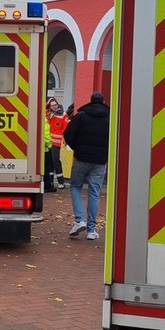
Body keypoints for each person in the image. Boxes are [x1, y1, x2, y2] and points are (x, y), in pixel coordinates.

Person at [64, 91, 110, 240]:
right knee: (94, 192)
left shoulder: (81, 116)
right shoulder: (110, 118)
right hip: (100, 161)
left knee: (76, 186)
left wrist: (77, 147)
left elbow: (68, 134)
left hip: (81, 159)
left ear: (91, 101)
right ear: (102, 101)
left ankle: (79, 220)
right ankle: (91, 230)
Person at [46, 98, 70, 189]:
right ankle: (50, 181)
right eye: (52, 105)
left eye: (55, 105)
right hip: (47, 142)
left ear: (58, 105)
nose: (54, 107)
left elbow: (66, 128)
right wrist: (49, 102)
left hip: (56, 142)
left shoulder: (63, 115)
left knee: (55, 160)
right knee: (49, 162)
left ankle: (61, 181)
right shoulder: (48, 113)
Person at [43, 116, 56, 193]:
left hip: (39, 149)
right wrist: (49, 145)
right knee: (46, 168)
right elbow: (45, 134)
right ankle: (47, 186)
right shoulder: (43, 118)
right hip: (44, 149)